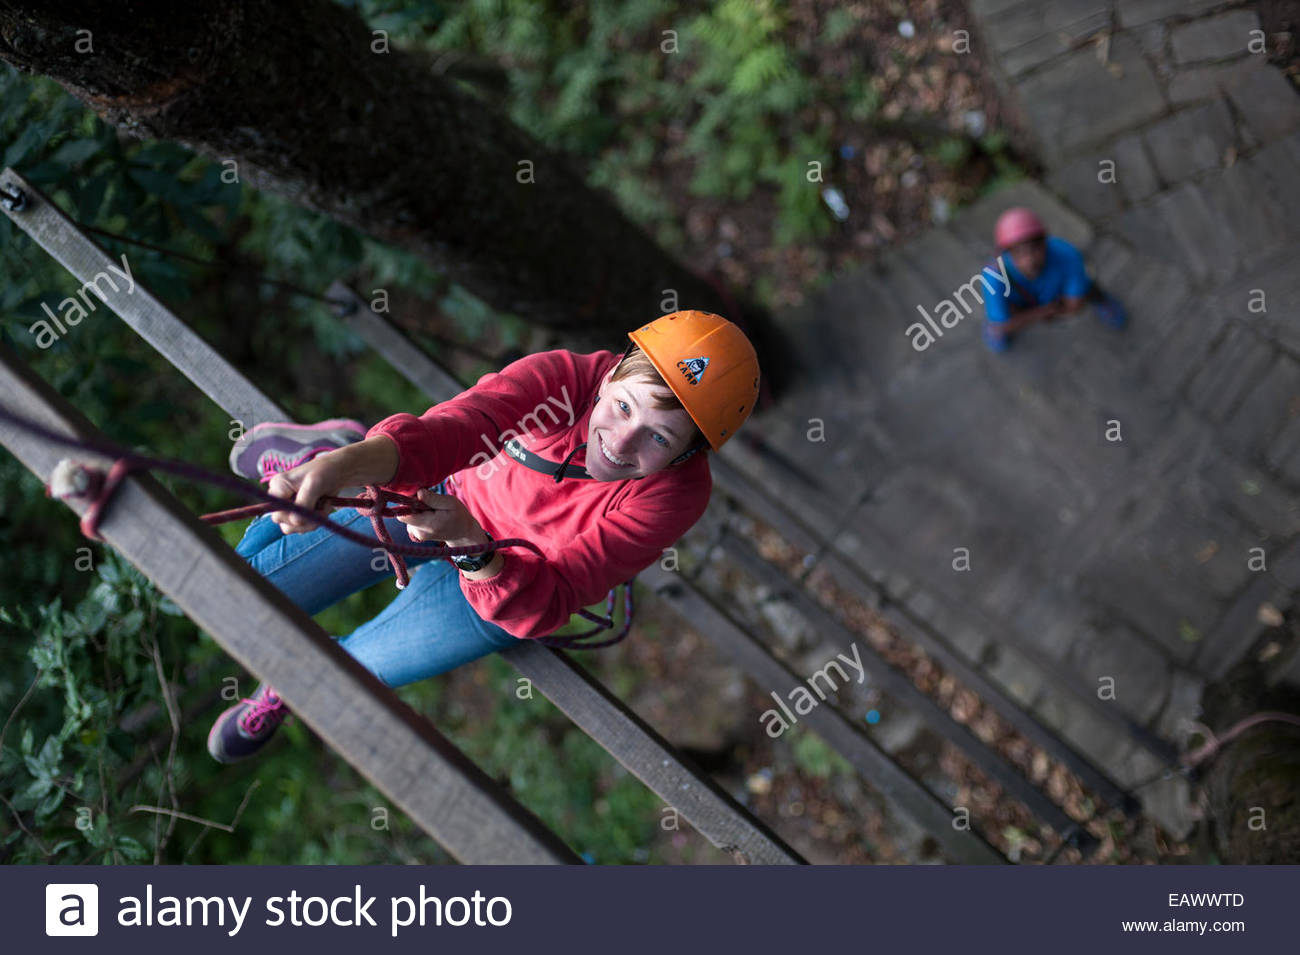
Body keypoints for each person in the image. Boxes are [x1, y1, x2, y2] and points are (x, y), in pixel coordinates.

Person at [207, 310, 760, 763]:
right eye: (622, 407)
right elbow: (464, 426)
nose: (620, 441)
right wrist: (358, 466)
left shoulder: (674, 496)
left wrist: (471, 545)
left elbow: (556, 599)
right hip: (441, 488)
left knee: (359, 670)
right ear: (613, 373)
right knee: (239, 590)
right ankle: (337, 458)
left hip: (506, 585)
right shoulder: (566, 379)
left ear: (688, 454)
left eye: (658, 437)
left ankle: (289, 685)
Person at [982, 206, 1127, 353]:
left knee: (1087, 284)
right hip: (1030, 305)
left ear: (1045, 243)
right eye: (1019, 253)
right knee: (999, 329)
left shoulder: (1066, 253)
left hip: (1054, 297)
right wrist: (1044, 312)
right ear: (1008, 253)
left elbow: (1074, 304)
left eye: (1035, 248)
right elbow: (1001, 325)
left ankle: (1101, 301)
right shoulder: (993, 276)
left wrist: (1064, 307)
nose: (1029, 260)